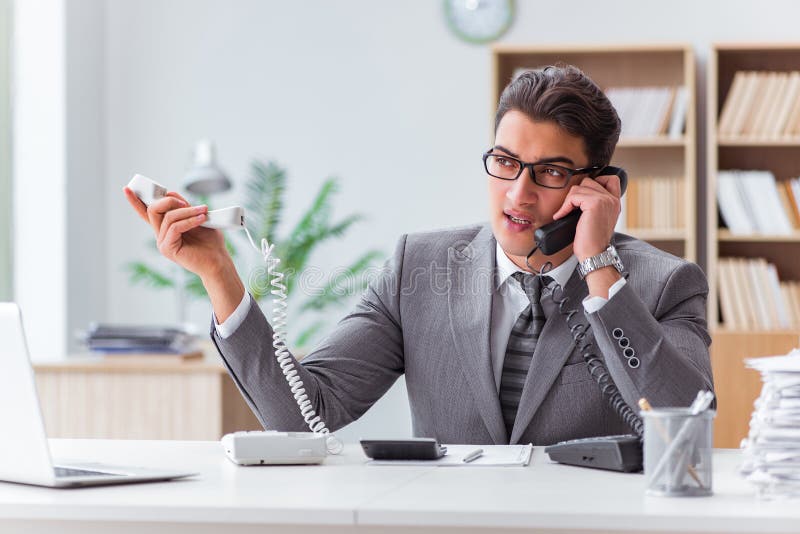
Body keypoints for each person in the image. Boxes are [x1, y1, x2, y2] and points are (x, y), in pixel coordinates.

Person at [124, 64, 713, 445]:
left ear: (600, 186)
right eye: (506, 162)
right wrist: (220, 275)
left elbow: (690, 423)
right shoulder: (418, 269)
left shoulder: (664, 285)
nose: (518, 193)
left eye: (551, 172)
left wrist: (600, 273)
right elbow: (307, 415)